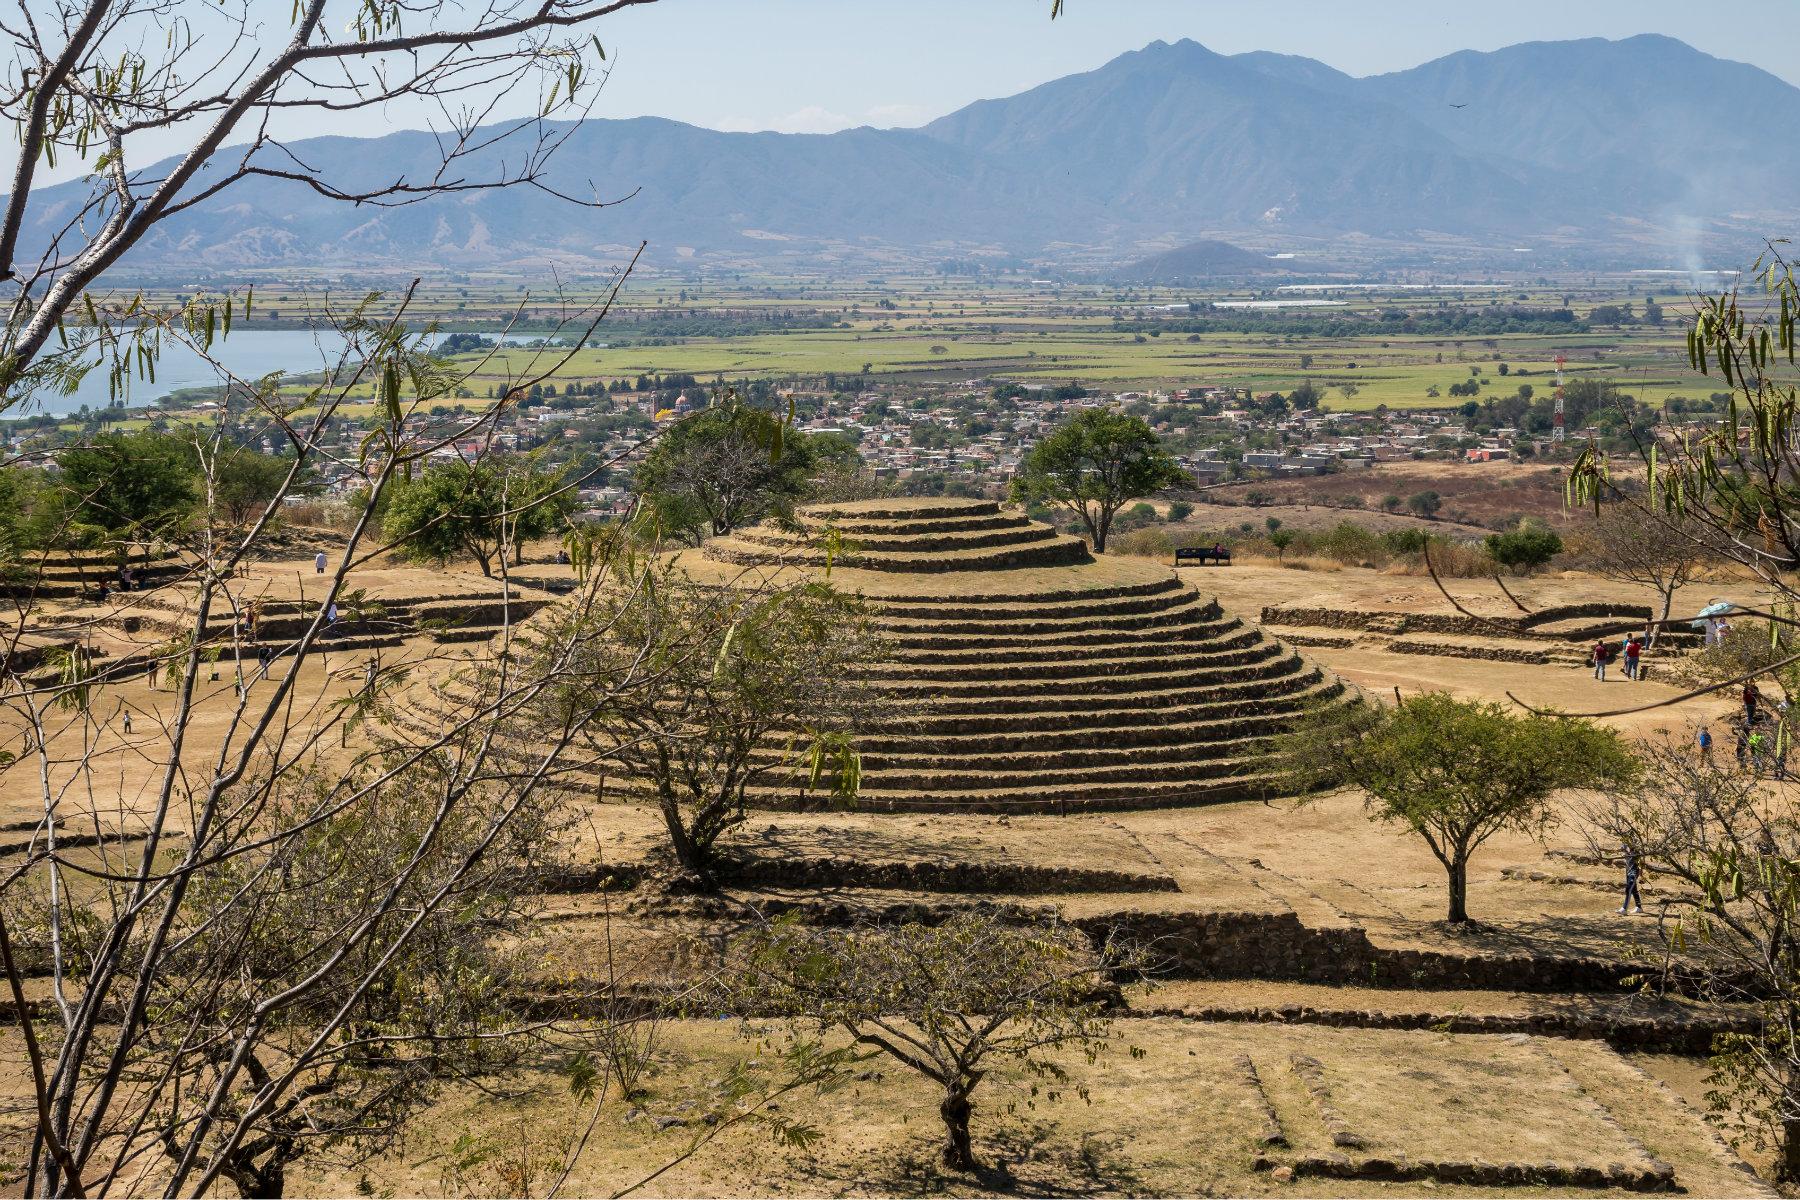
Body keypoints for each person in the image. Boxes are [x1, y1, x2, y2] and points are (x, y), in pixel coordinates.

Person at [1618, 846, 1643, 915]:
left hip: (1634, 873)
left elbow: (1640, 863)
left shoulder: (1636, 851)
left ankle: (1624, 908)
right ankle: (1639, 907)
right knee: (1634, 890)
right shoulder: (1626, 847)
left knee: (1628, 889)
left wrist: (1641, 875)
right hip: (1628, 872)